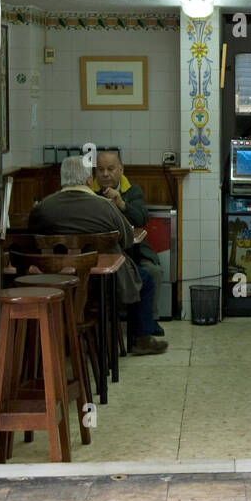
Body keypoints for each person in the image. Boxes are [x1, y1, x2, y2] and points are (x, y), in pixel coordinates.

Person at [29, 155, 168, 354]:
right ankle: (141, 339)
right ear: (88, 180)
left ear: (62, 180)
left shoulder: (43, 208)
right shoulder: (104, 206)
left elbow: (33, 235)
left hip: (56, 281)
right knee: (144, 279)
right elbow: (128, 239)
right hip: (101, 282)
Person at [92, 149, 165, 340]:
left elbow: (141, 219)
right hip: (99, 254)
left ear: (121, 170)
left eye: (110, 169)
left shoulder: (132, 190)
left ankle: (150, 320)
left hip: (135, 250)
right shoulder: (89, 193)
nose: (105, 174)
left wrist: (121, 203)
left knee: (153, 272)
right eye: (100, 170)